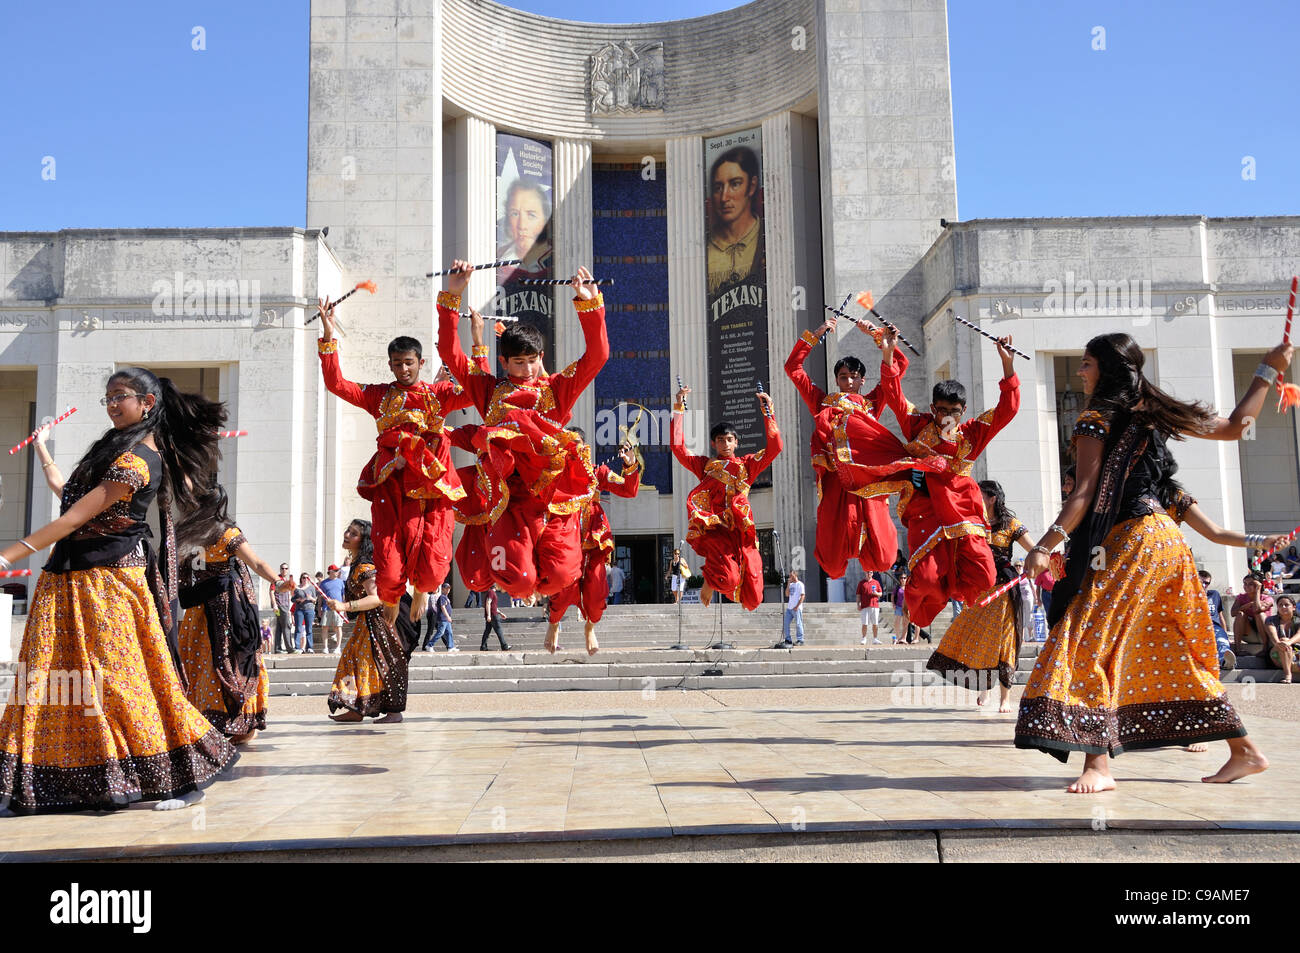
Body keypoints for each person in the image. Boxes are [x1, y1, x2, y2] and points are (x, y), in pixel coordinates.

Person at [1017, 332, 1290, 791]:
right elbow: (1235, 426)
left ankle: (1098, 766)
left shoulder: (1096, 418)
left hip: (1134, 542)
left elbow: (1082, 493)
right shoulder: (1152, 414)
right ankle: (1245, 750)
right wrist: (1268, 368)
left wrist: (1044, 546)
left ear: (1105, 368)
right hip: (1168, 543)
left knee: (1087, 643)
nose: (1081, 372)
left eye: (1086, 364)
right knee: (1169, 651)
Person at [0, 367, 237, 814]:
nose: (111, 404)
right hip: (66, 579)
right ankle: (43, 783)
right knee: (50, 683)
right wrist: (44, 451)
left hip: (109, 585)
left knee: (123, 681)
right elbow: (69, 499)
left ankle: (182, 780)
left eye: (120, 396)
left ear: (147, 403)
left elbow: (74, 518)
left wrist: (8, 556)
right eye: (107, 397)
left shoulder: (140, 459)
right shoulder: (113, 450)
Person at [437, 261, 609, 603]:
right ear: (504, 362)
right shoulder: (489, 389)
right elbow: (450, 354)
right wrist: (453, 294)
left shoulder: (557, 389)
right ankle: (509, 568)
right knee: (518, 581)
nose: (527, 369)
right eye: (518, 362)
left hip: (552, 500)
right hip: (510, 500)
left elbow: (598, 355)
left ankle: (545, 589)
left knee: (560, 576)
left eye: (532, 360)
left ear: (541, 357)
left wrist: (591, 304)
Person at [315, 295, 485, 628]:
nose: (403, 369)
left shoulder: (438, 395)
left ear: (420, 363)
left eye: (409, 362)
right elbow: (337, 383)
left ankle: (422, 589)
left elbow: (477, 389)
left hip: (431, 487)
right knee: (389, 562)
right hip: (392, 486)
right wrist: (328, 333)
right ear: (390, 365)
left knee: (434, 556)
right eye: (397, 364)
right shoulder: (380, 397)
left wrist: (478, 341)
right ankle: (392, 595)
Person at [784, 317, 944, 580]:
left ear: (862, 381)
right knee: (832, 551)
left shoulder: (872, 403)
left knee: (881, 551)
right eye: (843, 377)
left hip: (868, 474)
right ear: (836, 380)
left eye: (854, 377)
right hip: (837, 476)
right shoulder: (823, 403)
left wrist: (876, 334)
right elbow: (793, 367)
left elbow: (899, 366)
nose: (848, 381)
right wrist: (817, 333)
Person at [879, 334, 1020, 629]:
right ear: (933, 408)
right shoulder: (917, 425)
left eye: (953, 412)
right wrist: (889, 355)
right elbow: (893, 394)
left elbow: (1006, 410)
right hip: (926, 509)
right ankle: (921, 604)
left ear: (963, 411)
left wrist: (1007, 366)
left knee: (984, 575)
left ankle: (955, 595)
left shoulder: (971, 433)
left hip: (963, 511)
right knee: (929, 579)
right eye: (942, 411)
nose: (947, 417)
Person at [177, 484, 280, 744]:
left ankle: (235, 724)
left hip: (215, 609)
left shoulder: (206, 534)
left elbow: (256, 563)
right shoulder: (206, 534)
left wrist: (277, 581)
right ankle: (218, 722)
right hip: (211, 608)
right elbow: (255, 563)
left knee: (219, 659)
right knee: (213, 661)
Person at [671, 383, 782, 611]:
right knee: (729, 579)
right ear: (714, 443)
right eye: (720, 440)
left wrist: (768, 412)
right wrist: (679, 408)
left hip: (740, 528)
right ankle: (709, 582)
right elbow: (678, 447)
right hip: (715, 527)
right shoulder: (705, 466)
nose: (725, 444)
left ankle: (715, 582)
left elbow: (775, 447)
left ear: (736, 442)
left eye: (729, 439)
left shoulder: (747, 465)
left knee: (752, 586)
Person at [926, 480, 1034, 713]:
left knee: (1003, 642)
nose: (975, 498)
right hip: (979, 588)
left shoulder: (1012, 525)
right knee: (976, 637)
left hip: (1004, 590)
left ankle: (1005, 698)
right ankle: (985, 689)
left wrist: (1041, 561)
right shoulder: (975, 522)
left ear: (992, 498)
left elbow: (1034, 550)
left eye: (980, 495)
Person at [544, 438, 641, 655]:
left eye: (579, 448)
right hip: (565, 541)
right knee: (562, 587)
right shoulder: (553, 475)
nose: (575, 453)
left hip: (593, 541)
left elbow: (628, 489)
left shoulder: (597, 472)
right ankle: (554, 623)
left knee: (597, 594)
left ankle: (590, 626)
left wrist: (629, 463)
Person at [322, 519, 408, 723]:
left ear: (363, 541)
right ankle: (356, 709)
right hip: (366, 624)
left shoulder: (364, 566)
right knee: (353, 663)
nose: (347, 535)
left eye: (353, 533)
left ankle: (393, 712)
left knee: (379, 666)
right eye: (348, 531)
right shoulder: (356, 564)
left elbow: (376, 597)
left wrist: (345, 606)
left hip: (377, 625)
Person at [707, 146, 763, 296]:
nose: (724, 197)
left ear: (751, 186)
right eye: (718, 187)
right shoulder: (706, 246)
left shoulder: (765, 237)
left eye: (735, 184)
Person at [497, 178, 553, 278]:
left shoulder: (557, 261)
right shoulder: (498, 258)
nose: (521, 225)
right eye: (515, 214)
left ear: (545, 220)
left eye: (531, 215)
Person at [1198, 570, 1234, 672]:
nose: (1204, 585)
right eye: (1201, 582)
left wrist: (1225, 634)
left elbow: (1220, 616)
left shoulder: (1214, 594)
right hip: (1198, 626)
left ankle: (1226, 661)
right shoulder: (1189, 596)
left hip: (1214, 626)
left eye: (1207, 583)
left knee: (1222, 642)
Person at [1231, 572, 1274, 656]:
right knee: (1240, 614)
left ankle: (1265, 648)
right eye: (1245, 584)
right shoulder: (1241, 597)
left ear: (1258, 585)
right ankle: (1238, 649)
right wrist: (1248, 605)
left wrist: (1258, 590)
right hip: (1250, 635)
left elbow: (1257, 609)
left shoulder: (1267, 598)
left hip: (1265, 635)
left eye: (1251, 584)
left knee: (1260, 614)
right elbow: (1233, 613)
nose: (1246, 586)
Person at [1264, 595, 1300, 682]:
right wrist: (1281, 643)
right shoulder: (1270, 620)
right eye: (1280, 605)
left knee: (1286, 642)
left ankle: (1293, 666)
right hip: (1276, 653)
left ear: (1294, 607)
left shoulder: (1298, 621)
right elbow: (1273, 636)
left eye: (1286, 605)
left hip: (1295, 652)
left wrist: (1289, 642)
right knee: (1283, 642)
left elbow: (1299, 634)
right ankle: (1288, 674)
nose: (1283, 607)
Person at [319, 565, 347, 654]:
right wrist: (319, 608)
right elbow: (320, 597)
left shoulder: (341, 582)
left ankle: (338, 647)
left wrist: (345, 608)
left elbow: (343, 596)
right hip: (326, 608)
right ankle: (325, 647)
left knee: (338, 627)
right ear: (330, 572)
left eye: (337, 571)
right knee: (324, 627)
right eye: (335, 571)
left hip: (339, 608)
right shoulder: (323, 583)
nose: (337, 572)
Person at [424, 582, 458, 653]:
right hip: (443, 618)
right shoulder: (442, 597)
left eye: (449, 588)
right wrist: (447, 616)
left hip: (446, 619)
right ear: (442, 589)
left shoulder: (445, 597)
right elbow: (442, 607)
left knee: (449, 632)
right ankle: (430, 645)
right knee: (440, 632)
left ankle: (450, 647)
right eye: (446, 588)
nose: (448, 590)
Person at [292, 572, 317, 653]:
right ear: (301, 579)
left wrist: (310, 598)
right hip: (299, 610)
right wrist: (298, 600)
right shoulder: (297, 588)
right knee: (298, 629)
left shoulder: (312, 588)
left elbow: (315, 600)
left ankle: (309, 647)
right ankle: (297, 647)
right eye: (304, 577)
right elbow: (292, 599)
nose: (305, 579)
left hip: (309, 610)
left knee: (309, 629)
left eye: (307, 578)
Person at [481, 585, 510, 651]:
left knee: (487, 631)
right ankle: (504, 646)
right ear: (495, 586)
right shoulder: (491, 592)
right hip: (493, 615)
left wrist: (500, 613)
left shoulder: (491, 592)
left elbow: (493, 606)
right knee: (499, 630)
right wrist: (489, 615)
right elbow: (488, 603)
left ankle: (483, 646)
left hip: (492, 614)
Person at [273, 562, 295, 653]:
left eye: (286, 568)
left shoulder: (286, 580)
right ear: (280, 569)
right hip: (280, 606)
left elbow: (291, 593)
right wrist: (274, 604)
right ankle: (290, 648)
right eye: (282, 568)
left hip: (285, 605)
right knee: (286, 625)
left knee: (279, 626)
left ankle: (278, 648)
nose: (284, 570)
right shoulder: (277, 579)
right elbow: (271, 591)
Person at [782, 570, 806, 646]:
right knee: (786, 623)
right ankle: (788, 639)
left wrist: (797, 606)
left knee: (798, 623)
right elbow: (786, 594)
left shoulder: (800, 584)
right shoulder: (791, 585)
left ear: (795, 575)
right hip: (789, 608)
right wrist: (788, 584)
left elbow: (802, 596)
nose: (790, 577)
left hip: (796, 608)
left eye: (791, 576)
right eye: (789, 576)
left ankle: (800, 640)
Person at [858, 573, 883, 644]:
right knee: (864, 623)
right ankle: (864, 638)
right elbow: (858, 594)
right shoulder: (861, 583)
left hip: (875, 605)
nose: (869, 574)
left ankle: (875, 638)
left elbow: (880, 593)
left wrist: (876, 593)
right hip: (865, 606)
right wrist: (858, 604)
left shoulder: (876, 582)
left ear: (872, 574)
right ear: (865, 573)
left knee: (875, 623)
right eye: (867, 572)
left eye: (870, 572)